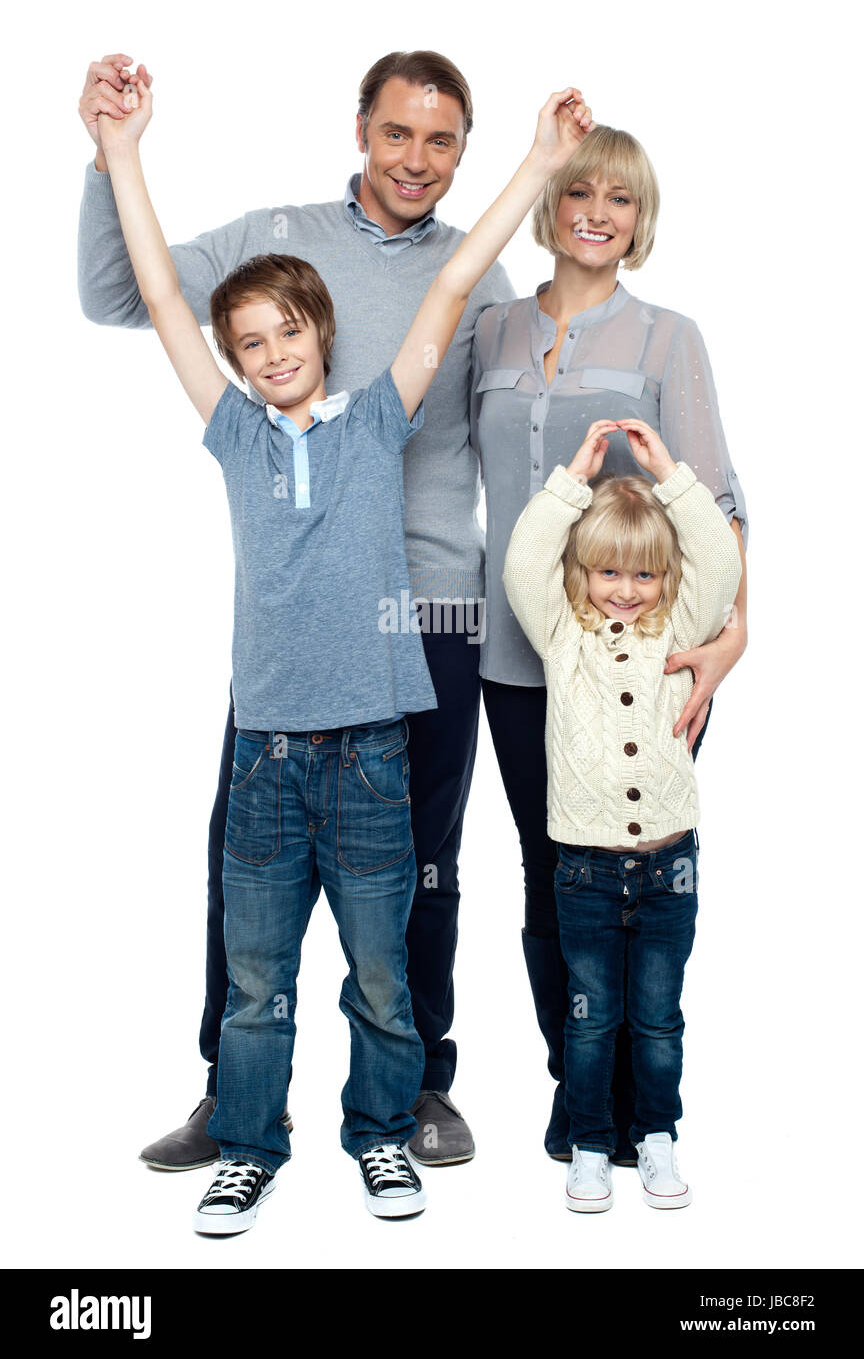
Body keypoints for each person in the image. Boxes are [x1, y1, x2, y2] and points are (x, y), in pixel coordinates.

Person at [95, 68, 596, 1231]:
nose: (272, 354)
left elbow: (458, 279)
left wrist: (533, 160)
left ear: (324, 333)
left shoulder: (377, 419)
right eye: (250, 341)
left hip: (380, 718)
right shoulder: (233, 437)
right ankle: (244, 1126)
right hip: (270, 741)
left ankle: (391, 1118)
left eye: (290, 333)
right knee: (255, 952)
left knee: (388, 945)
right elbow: (164, 302)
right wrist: (122, 152)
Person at [469, 124, 748, 1162]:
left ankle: (645, 1099)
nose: (597, 210)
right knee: (551, 880)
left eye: (620, 197)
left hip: (648, 660)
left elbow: (715, 501)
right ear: (550, 202)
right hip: (514, 659)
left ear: (640, 218)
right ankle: (579, 1087)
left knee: (640, 875)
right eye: (579, 188)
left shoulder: (670, 336)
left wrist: (735, 633)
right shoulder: (490, 330)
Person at [503, 417, 742, 1209]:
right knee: (591, 1016)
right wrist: (571, 480)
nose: (624, 589)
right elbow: (524, 561)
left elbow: (717, 556)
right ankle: (590, 1143)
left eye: (642, 575)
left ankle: (657, 1135)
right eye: (607, 571)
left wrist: (670, 473)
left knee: (657, 1018)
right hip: (584, 870)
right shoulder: (561, 636)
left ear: (664, 580)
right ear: (583, 572)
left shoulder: (681, 630)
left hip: (670, 866)